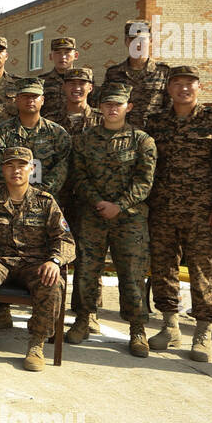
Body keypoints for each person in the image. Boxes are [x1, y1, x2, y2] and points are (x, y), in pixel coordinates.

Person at [144, 65, 212, 361]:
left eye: (190, 83)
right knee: (163, 268)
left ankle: (202, 332)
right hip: (162, 210)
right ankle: (169, 325)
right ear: (168, 88)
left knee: (202, 271)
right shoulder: (156, 122)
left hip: (202, 213)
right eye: (177, 84)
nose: (183, 89)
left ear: (199, 87)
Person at [65, 83, 157, 356]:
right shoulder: (84, 140)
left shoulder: (142, 141)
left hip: (130, 218)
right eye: (107, 104)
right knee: (86, 271)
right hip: (93, 215)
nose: (113, 109)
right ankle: (83, 319)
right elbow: (78, 177)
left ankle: (137, 329)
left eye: (118, 104)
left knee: (132, 274)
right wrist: (98, 202)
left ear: (128, 107)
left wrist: (120, 205)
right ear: (100, 107)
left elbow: (145, 181)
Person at [0, 147, 75, 370]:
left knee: (53, 283)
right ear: (3, 170)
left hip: (34, 263)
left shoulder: (45, 201)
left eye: (22, 165)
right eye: (10, 165)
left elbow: (65, 239)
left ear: (32, 169)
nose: (16, 170)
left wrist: (54, 261)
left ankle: (37, 343)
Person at [57, 67, 102, 326]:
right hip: (59, 196)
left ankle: (87, 312)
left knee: (88, 257)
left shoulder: (100, 120)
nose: (77, 87)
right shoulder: (51, 120)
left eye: (82, 83)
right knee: (55, 251)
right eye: (72, 83)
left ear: (90, 88)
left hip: (89, 198)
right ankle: (53, 305)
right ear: (64, 87)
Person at [0, 79, 71, 199]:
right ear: (16, 99)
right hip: (9, 199)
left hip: (46, 200)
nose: (30, 100)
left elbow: (60, 171)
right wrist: (17, 193)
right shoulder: (1, 133)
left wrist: (37, 195)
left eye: (34, 96)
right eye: (25, 96)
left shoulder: (58, 134)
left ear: (42, 100)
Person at [100, 19, 170, 128]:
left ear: (151, 41)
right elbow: (105, 104)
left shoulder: (163, 71)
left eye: (142, 39)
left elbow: (169, 107)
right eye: (133, 39)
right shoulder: (113, 73)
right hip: (121, 135)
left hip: (153, 135)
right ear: (126, 42)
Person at [39, 37, 78, 123]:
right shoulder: (41, 82)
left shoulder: (84, 81)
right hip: (49, 132)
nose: (63, 57)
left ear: (76, 55)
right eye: (58, 53)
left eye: (67, 53)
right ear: (50, 56)